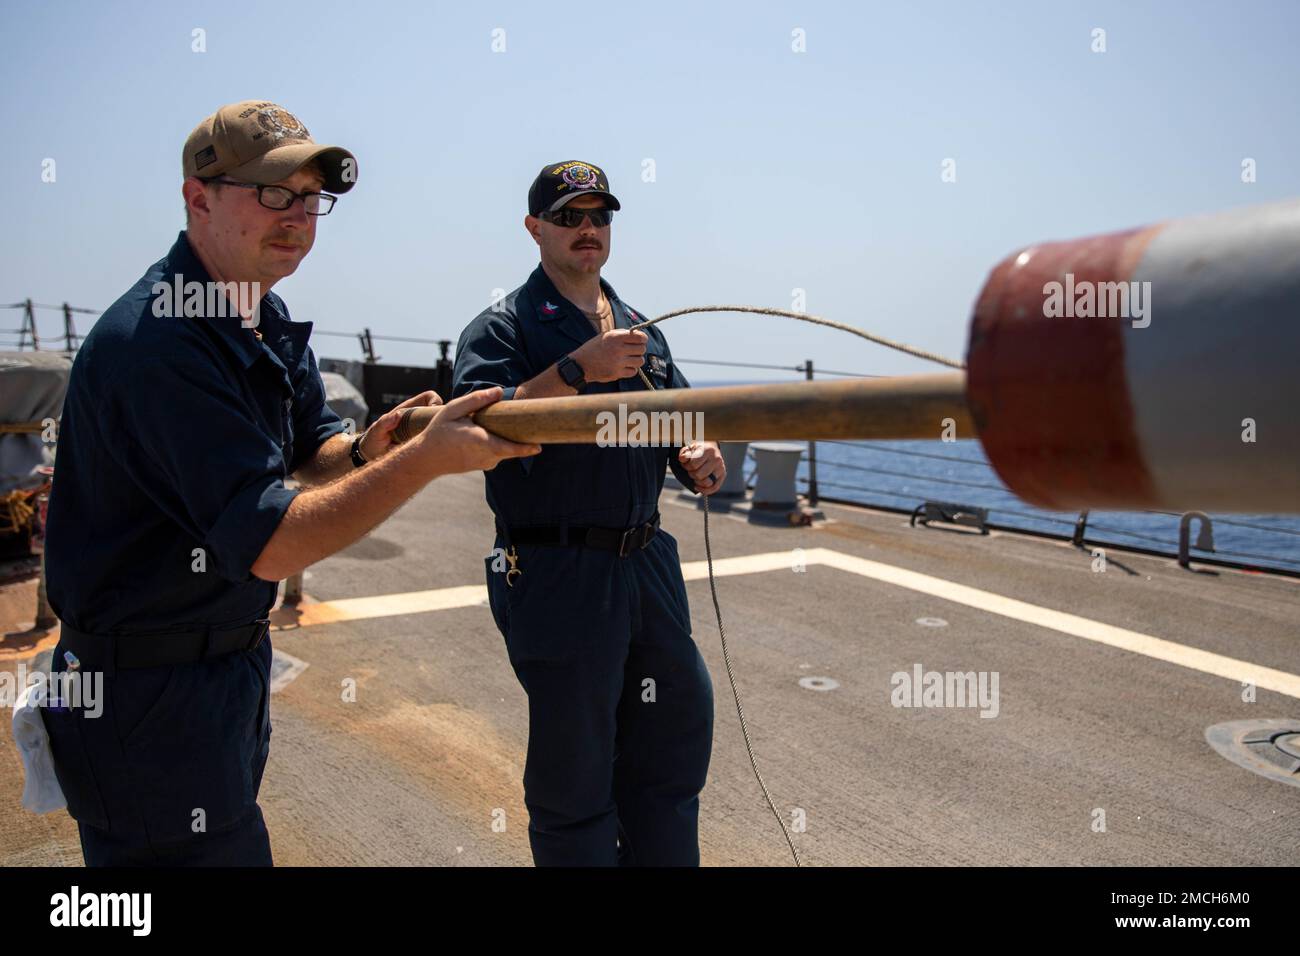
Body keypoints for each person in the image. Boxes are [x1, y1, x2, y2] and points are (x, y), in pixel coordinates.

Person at [41, 100, 537, 866]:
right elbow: (271, 543)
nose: (299, 215)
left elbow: (312, 450)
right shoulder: (158, 344)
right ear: (197, 197)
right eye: (274, 192)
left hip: (218, 679)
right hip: (143, 700)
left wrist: (371, 450)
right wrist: (427, 458)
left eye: (311, 198)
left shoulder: (256, 313)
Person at [452, 160, 727, 866]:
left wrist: (700, 453)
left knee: (674, 745)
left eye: (599, 216)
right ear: (534, 227)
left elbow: (682, 421)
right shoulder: (502, 328)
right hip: (556, 567)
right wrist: (579, 368)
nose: (587, 230)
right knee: (575, 773)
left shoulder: (644, 330)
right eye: (569, 216)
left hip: (648, 565)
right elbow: (480, 430)